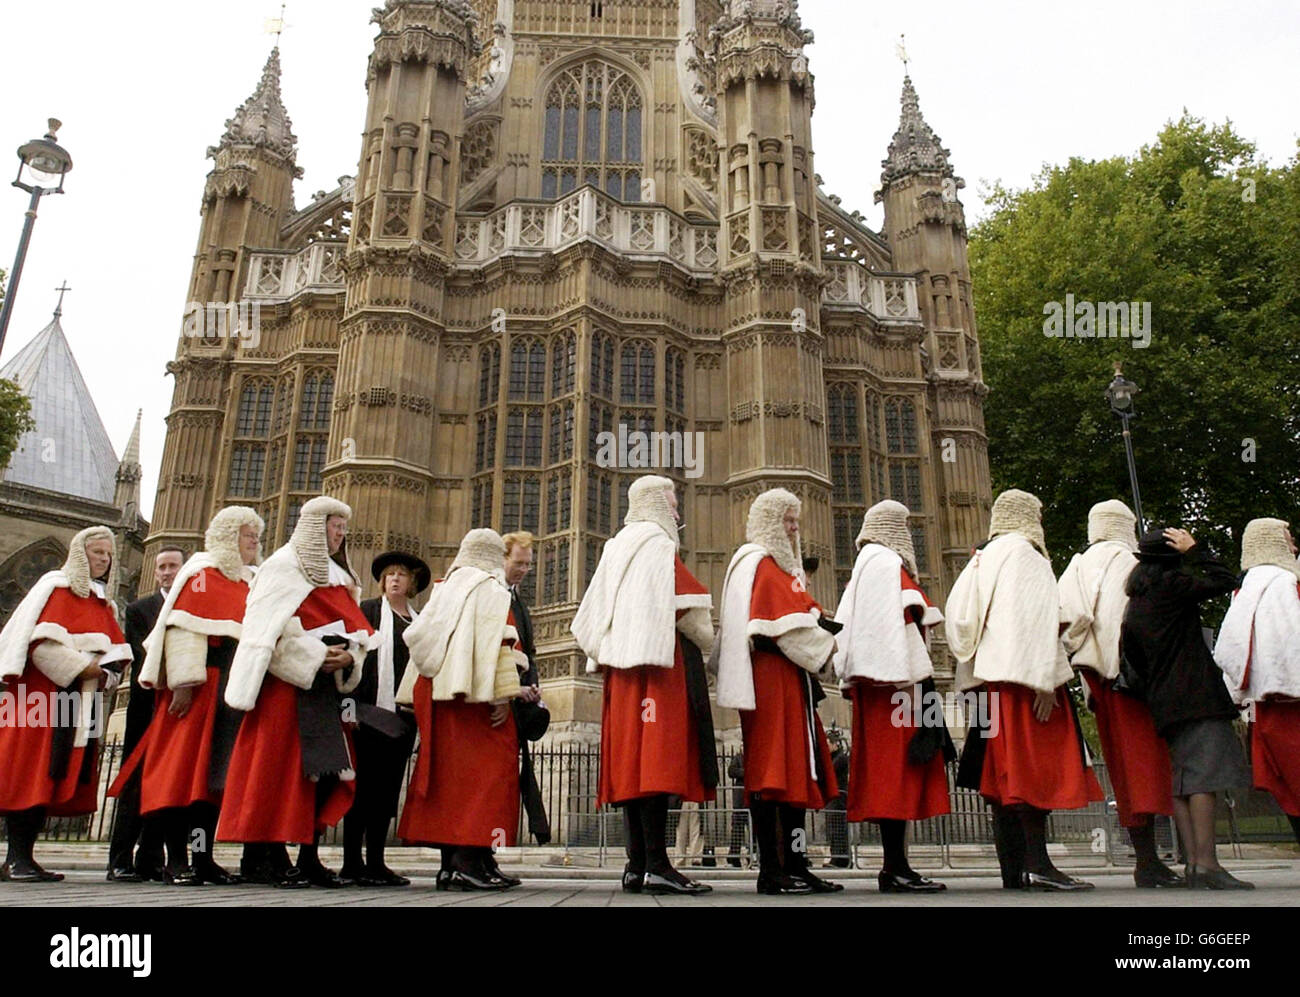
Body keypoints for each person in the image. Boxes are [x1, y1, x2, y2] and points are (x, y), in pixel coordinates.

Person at [946, 489, 1102, 892]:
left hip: (990, 683)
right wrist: (1045, 678)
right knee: (1035, 774)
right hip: (1024, 681)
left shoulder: (984, 556)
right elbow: (1032, 618)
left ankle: (1015, 871)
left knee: (1004, 780)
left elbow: (961, 617)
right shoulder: (1026, 555)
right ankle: (1040, 866)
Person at [218, 496, 374, 887]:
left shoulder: (339, 577)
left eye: (343, 527)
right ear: (315, 526)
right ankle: (267, 854)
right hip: (283, 693)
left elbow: (357, 631)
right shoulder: (281, 569)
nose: (341, 534)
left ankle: (307, 856)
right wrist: (318, 655)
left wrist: (350, 657)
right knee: (277, 773)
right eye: (335, 526)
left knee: (320, 775)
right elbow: (267, 631)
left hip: (323, 693)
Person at [572, 475, 717, 896]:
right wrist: (709, 640)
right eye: (673, 505)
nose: (677, 513)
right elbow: (688, 609)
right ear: (657, 504)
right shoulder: (656, 544)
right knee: (657, 764)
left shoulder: (616, 546)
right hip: (657, 669)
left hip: (621, 675)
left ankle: (636, 865)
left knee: (632, 768)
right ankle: (657, 864)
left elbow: (591, 614)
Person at [108, 508, 263, 886]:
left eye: (256, 538)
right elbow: (180, 630)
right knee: (180, 780)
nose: (255, 545)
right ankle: (176, 860)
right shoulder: (200, 574)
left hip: (228, 691)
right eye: (248, 537)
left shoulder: (250, 581)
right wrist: (182, 681)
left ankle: (202, 856)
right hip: (196, 691)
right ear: (229, 538)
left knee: (210, 785)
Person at [715, 488, 842, 896]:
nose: (794, 529)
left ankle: (796, 864)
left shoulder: (775, 567)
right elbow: (782, 627)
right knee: (773, 776)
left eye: (796, 521)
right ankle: (772, 870)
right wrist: (826, 644)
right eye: (787, 520)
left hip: (790, 681)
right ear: (770, 521)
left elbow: (800, 614)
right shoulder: (760, 563)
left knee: (795, 775)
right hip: (771, 682)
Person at [1123, 526, 1254, 889]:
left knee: (1182, 780)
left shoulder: (1136, 603)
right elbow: (1227, 580)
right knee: (1203, 779)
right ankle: (1207, 863)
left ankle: (1194, 865)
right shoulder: (1174, 588)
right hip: (1196, 695)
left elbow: (1131, 657)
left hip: (1163, 701)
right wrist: (1197, 549)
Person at [1059, 500, 1181, 888]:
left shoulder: (1078, 563)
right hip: (1134, 678)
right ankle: (1150, 861)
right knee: (1148, 764)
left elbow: (1068, 615)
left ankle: (1146, 856)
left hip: (1097, 680)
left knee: (1122, 768)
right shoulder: (1133, 563)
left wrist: (1080, 649)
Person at [833, 499, 952, 892]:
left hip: (873, 689)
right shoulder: (887, 565)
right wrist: (925, 697)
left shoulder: (861, 571)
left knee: (888, 776)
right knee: (898, 773)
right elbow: (910, 621)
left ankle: (895, 866)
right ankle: (896, 868)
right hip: (899, 687)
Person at [0, 526, 131, 882]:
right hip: (41, 699)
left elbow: (115, 654)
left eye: (108, 554)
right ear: (79, 554)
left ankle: (24, 857)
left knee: (51, 776)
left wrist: (106, 673)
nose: (104, 559)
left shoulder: (102, 601)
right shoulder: (56, 588)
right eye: (97, 552)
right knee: (31, 774)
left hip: (78, 699)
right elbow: (42, 646)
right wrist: (85, 666)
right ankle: (16, 859)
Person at [396, 529, 525, 891]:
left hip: (440, 695)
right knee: (482, 780)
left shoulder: (447, 587)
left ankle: (453, 865)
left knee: (448, 782)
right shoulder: (489, 588)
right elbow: (497, 642)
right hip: (474, 700)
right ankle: (470, 862)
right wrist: (501, 696)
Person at [343, 551, 429, 887]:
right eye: (390, 574)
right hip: (366, 715)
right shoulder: (366, 611)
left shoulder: (418, 622)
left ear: (411, 583)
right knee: (361, 789)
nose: (394, 579)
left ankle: (376, 862)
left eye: (401, 575)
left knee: (386, 792)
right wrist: (348, 710)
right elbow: (351, 660)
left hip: (402, 719)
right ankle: (352, 862)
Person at [1215, 518, 1300, 846]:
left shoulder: (1245, 589)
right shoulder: (1283, 583)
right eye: (1288, 539)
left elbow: (1232, 645)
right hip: (1289, 698)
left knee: (1287, 785)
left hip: (1262, 703)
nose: (1293, 546)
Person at [106, 545, 183, 883]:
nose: (167, 572)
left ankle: (151, 857)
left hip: (180, 710)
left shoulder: (192, 608)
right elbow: (144, 653)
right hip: (146, 707)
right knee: (134, 786)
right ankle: (118, 860)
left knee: (166, 786)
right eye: (162, 567)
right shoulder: (139, 609)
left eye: (173, 566)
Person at [502, 531, 551, 873]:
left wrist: (533, 686)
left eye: (527, 565)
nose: (523, 569)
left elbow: (527, 652)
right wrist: (504, 690)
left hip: (518, 702)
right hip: (500, 701)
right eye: (518, 563)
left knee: (511, 777)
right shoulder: (493, 596)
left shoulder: (518, 600)